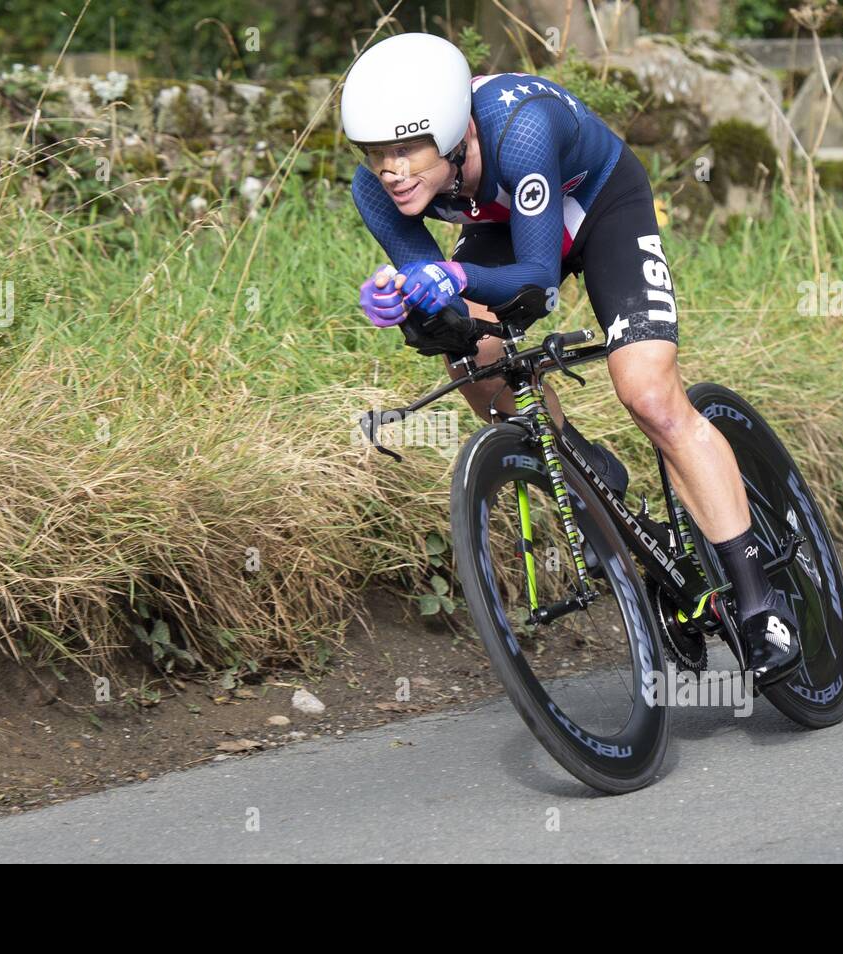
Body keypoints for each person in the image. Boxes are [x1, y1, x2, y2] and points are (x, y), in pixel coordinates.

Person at [342, 32, 800, 686]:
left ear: (449, 135)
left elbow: (537, 282)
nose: (391, 170)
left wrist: (449, 273)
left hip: (603, 206)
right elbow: (441, 296)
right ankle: (591, 474)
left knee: (647, 394)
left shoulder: (518, 132)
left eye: (406, 149)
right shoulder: (373, 191)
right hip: (509, 225)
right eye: (375, 153)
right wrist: (404, 300)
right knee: (467, 354)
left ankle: (759, 604)